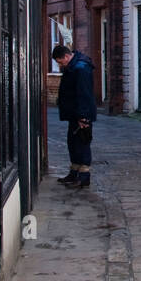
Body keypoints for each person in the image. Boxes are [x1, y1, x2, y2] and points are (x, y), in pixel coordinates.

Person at [53, 44, 96, 189]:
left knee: (81, 143)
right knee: (73, 143)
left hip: (81, 115)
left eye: (60, 61)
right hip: (74, 114)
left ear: (66, 56)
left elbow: (84, 94)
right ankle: (74, 172)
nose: (60, 65)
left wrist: (84, 117)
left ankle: (83, 176)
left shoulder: (81, 68)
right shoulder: (74, 67)